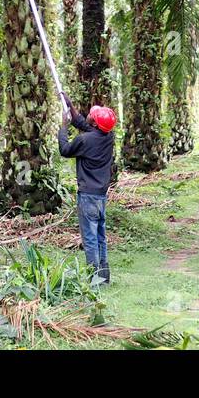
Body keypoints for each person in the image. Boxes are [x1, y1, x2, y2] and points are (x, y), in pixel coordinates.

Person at [58, 94, 117, 284]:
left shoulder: (85, 140)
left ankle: (94, 280)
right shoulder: (108, 137)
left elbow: (65, 150)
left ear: (96, 124)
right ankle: (104, 277)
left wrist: (64, 127)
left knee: (90, 239)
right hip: (100, 196)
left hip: (87, 197)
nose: (90, 116)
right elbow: (86, 125)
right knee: (100, 237)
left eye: (93, 115)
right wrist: (71, 107)